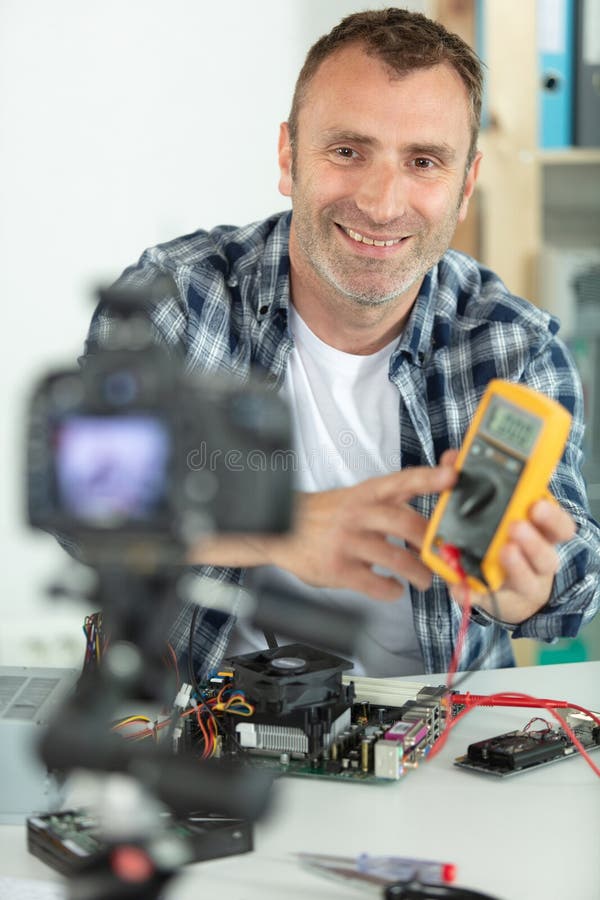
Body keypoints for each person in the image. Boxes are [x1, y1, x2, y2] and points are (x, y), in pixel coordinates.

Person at [85, 8, 599, 678]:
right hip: (199, 728)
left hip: (427, 738)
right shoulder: (174, 300)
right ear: (287, 156)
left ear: (465, 186)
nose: (383, 203)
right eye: (348, 151)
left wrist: (531, 587)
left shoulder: (512, 346)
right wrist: (278, 527)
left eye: (423, 162)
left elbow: (577, 580)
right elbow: (85, 511)